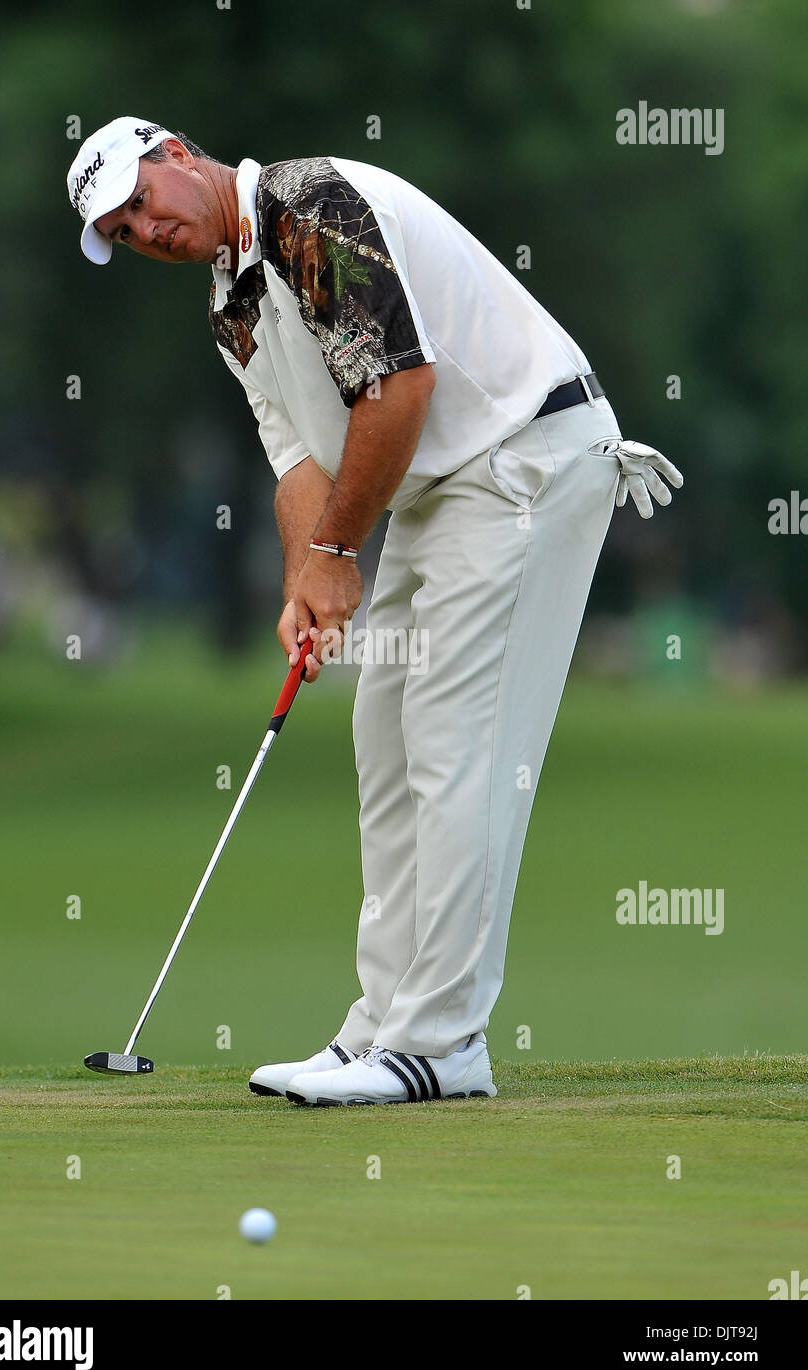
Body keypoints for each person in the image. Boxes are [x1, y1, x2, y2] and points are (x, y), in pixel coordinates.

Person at [67, 117, 682, 1107]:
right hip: (447, 484)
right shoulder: (230, 304)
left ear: (179, 155)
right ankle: (383, 1027)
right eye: (123, 232)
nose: (145, 229)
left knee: (453, 736)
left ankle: (439, 1041)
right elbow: (300, 463)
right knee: (383, 731)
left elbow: (396, 386)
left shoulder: (304, 208)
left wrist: (336, 553)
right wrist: (304, 586)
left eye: (141, 201)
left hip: (526, 454)